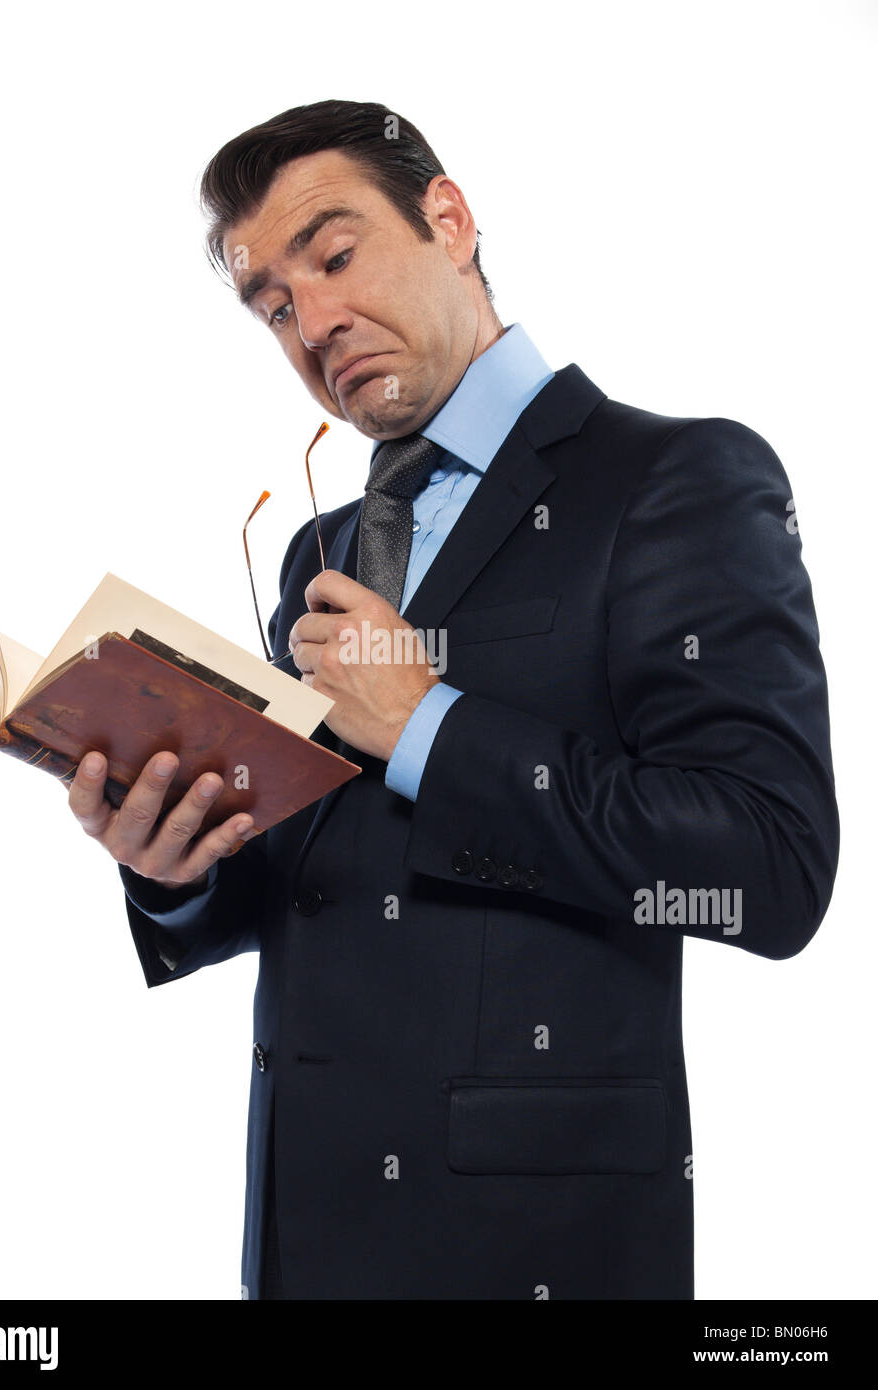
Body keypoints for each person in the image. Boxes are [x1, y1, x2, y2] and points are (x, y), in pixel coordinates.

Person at [68, 100, 839, 1300]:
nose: (313, 323)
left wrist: (427, 724)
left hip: (530, 1250)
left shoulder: (676, 480)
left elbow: (769, 866)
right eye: (273, 306)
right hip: (301, 1239)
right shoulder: (320, 549)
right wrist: (175, 865)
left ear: (448, 217)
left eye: (333, 255)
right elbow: (312, 888)